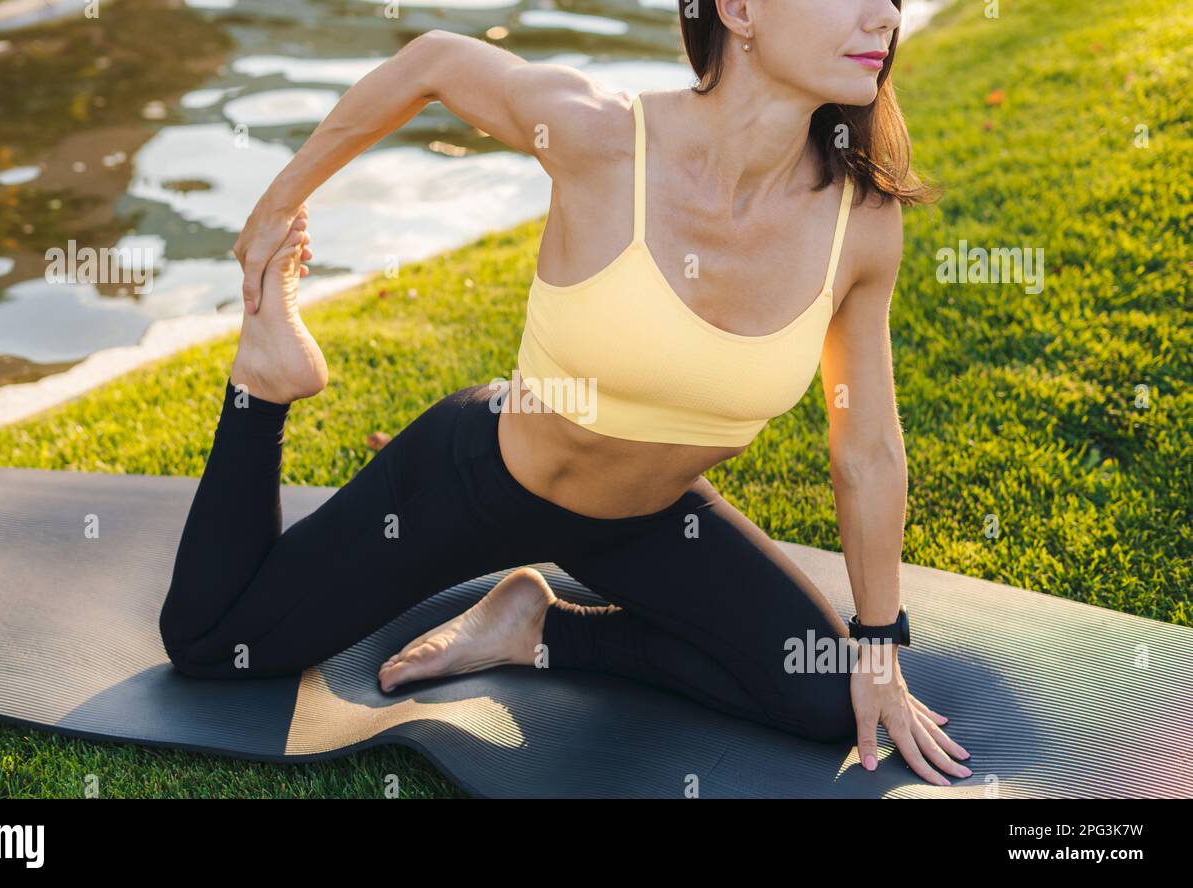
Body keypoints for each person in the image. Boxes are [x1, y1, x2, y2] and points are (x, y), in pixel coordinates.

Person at [159, 0, 973, 786]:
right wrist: (278, 205)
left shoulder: (860, 220)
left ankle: (534, 627)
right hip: (481, 481)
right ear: (739, 9)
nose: (886, 17)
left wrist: (877, 646)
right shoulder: (603, 134)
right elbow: (432, 62)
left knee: (826, 697)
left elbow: (866, 447)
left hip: (652, 522)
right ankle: (264, 382)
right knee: (211, 641)